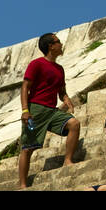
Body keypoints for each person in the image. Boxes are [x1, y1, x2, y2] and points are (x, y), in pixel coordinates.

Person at [18, 33, 80, 189]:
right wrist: (25, 110)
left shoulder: (60, 69)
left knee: (74, 124)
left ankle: (67, 161)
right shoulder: (36, 64)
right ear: (51, 46)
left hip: (51, 111)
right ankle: (23, 185)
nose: (61, 44)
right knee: (28, 147)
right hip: (36, 109)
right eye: (58, 42)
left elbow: (61, 91)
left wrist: (66, 98)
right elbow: (25, 87)